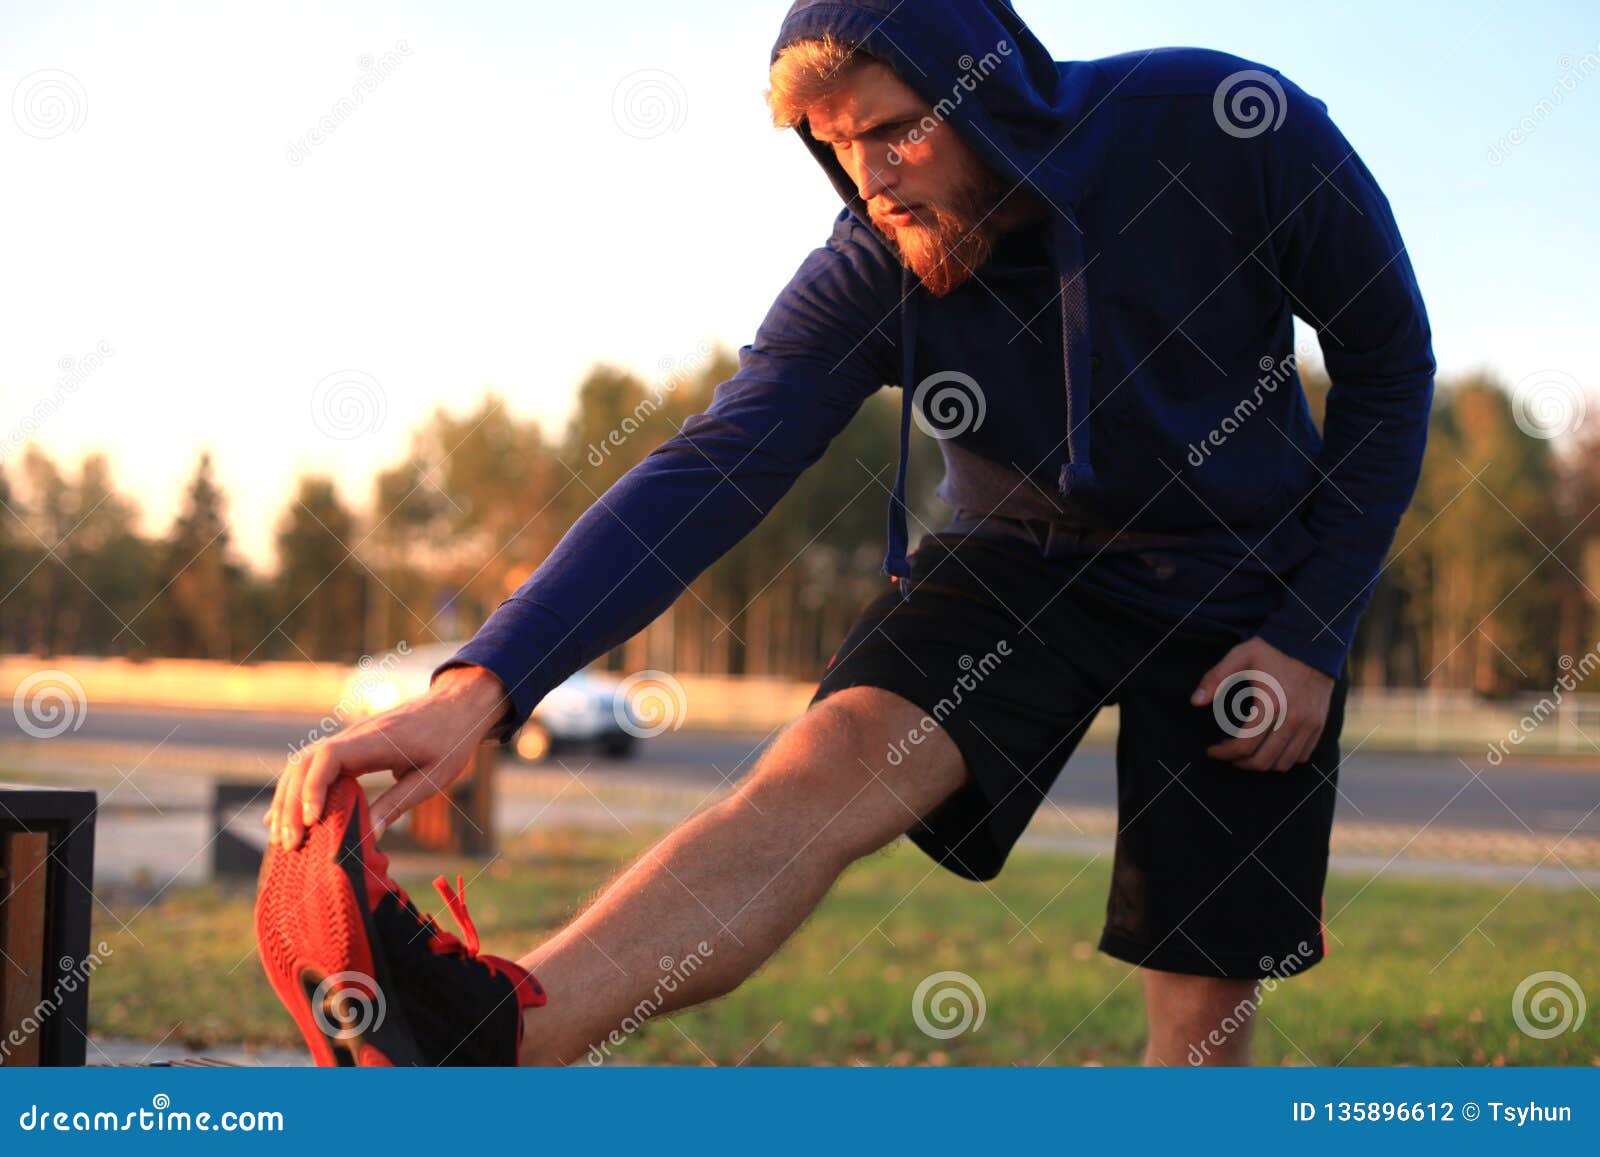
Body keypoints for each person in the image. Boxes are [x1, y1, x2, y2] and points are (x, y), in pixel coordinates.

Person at [256, 0, 1434, 1067]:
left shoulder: (1228, 125)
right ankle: (491, 1035)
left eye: (892, 129)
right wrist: (477, 689)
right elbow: (712, 466)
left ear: (985, 90)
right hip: (1017, 556)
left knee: (1197, 990)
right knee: (819, 765)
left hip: (1243, 573)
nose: (864, 173)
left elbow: (1389, 364)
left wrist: (1311, 630)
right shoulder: (874, 263)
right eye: (831, 143)